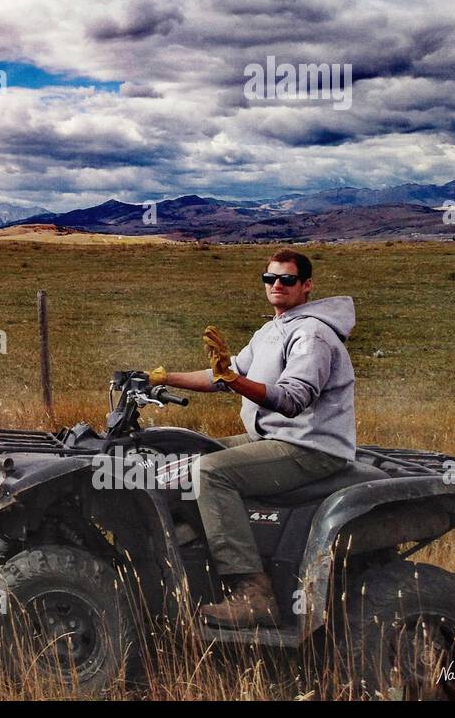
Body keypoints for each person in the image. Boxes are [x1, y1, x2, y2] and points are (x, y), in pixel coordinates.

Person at [147, 248, 356, 628]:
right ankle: (201, 543)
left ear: (306, 286)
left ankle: (253, 592)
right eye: (270, 278)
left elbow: (293, 399)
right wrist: (160, 377)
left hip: (309, 447)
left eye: (287, 279)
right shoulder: (272, 330)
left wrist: (234, 380)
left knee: (210, 471)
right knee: (184, 456)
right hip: (274, 438)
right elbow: (222, 375)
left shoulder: (312, 335)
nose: (277, 285)